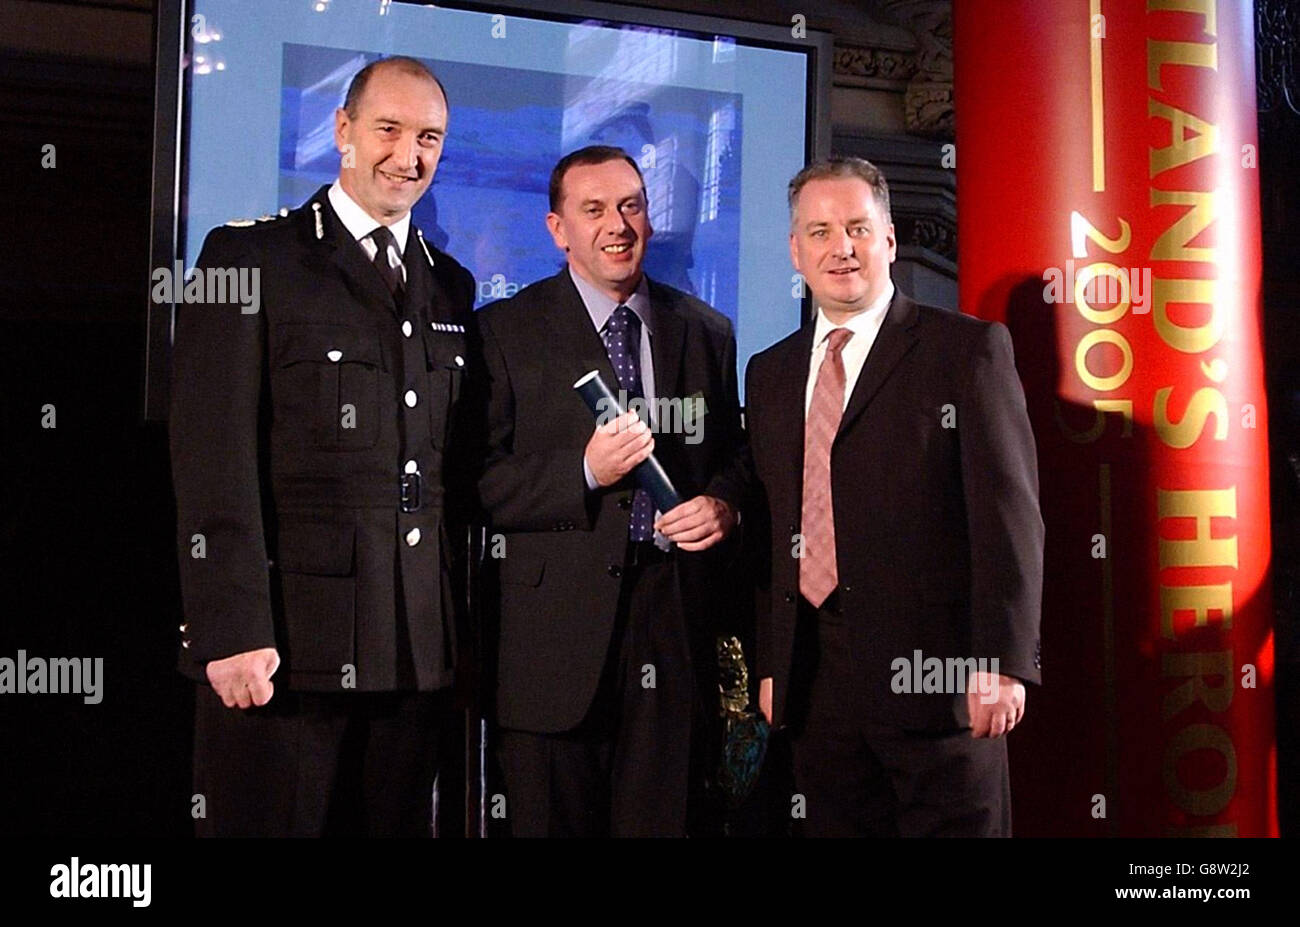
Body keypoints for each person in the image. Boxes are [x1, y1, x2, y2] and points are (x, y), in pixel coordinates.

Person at [169, 56, 477, 836]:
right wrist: (231, 627)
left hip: (415, 652)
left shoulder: (451, 286)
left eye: (429, 138)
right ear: (341, 131)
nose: (409, 156)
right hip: (287, 649)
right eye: (389, 129)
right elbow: (213, 460)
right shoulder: (251, 259)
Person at [746, 156, 1044, 836]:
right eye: (818, 231)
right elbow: (773, 528)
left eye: (856, 226)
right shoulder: (770, 373)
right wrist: (772, 666)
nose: (839, 247)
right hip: (818, 691)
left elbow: (1009, 522)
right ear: (795, 251)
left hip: (942, 686)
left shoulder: (965, 352)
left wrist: (1002, 664)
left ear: (888, 239)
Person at [476, 145, 749, 836]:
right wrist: (584, 472)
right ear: (557, 228)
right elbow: (480, 482)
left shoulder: (706, 332)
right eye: (593, 210)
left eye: (630, 205)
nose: (617, 225)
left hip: (672, 622)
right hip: (548, 644)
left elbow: (735, 455)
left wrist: (723, 501)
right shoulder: (504, 331)